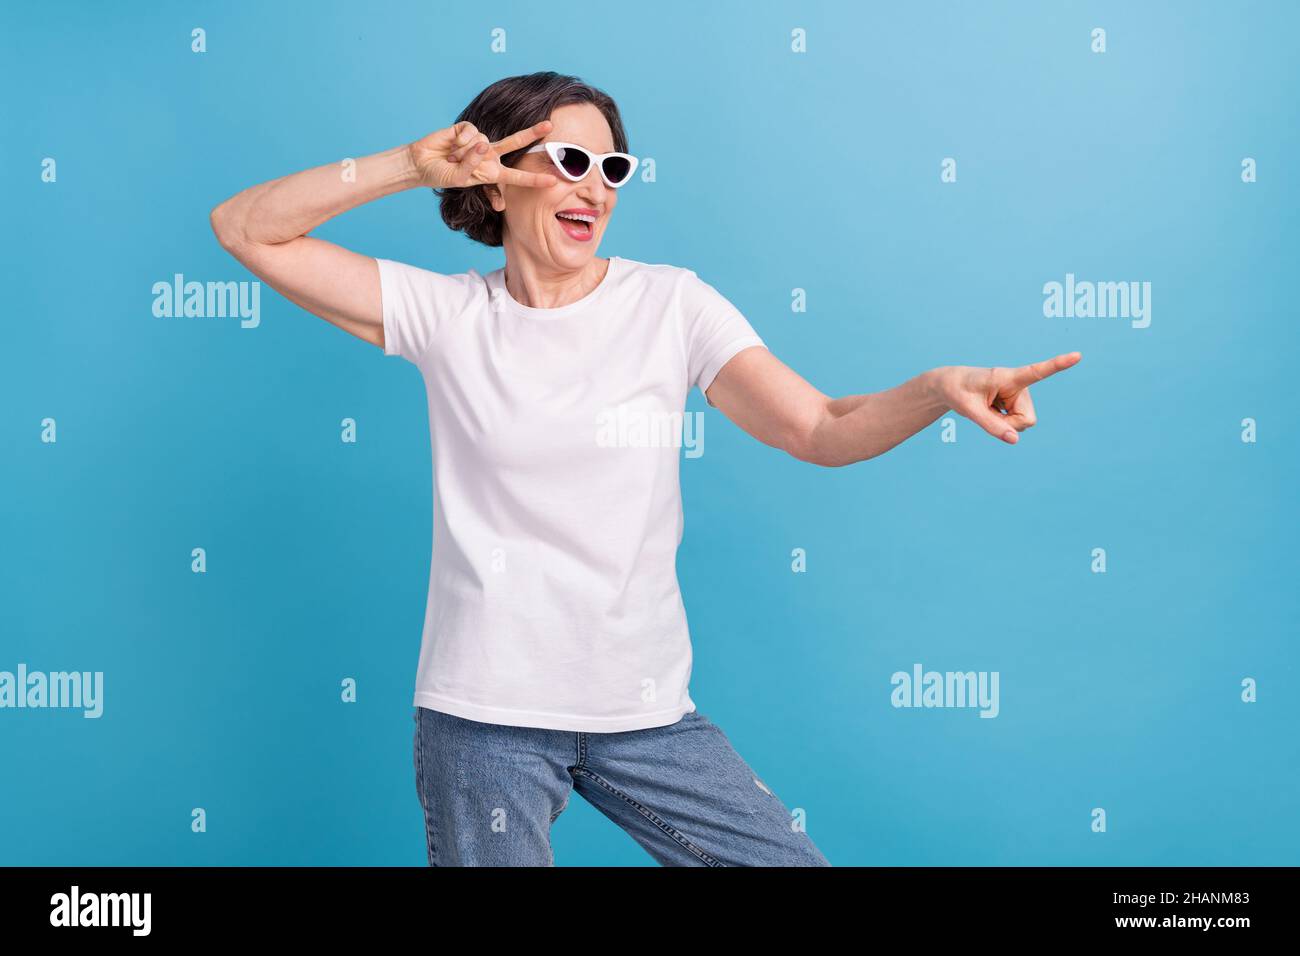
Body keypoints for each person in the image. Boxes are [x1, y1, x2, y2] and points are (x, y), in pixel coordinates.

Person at [210, 70, 1080, 867]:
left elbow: (817, 426)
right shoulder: (445, 316)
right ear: (496, 175)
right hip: (485, 722)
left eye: (614, 167)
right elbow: (246, 229)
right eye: (572, 159)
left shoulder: (671, 304)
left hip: (644, 716)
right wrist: (408, 164)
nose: (596, 185)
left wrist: (935, 389)